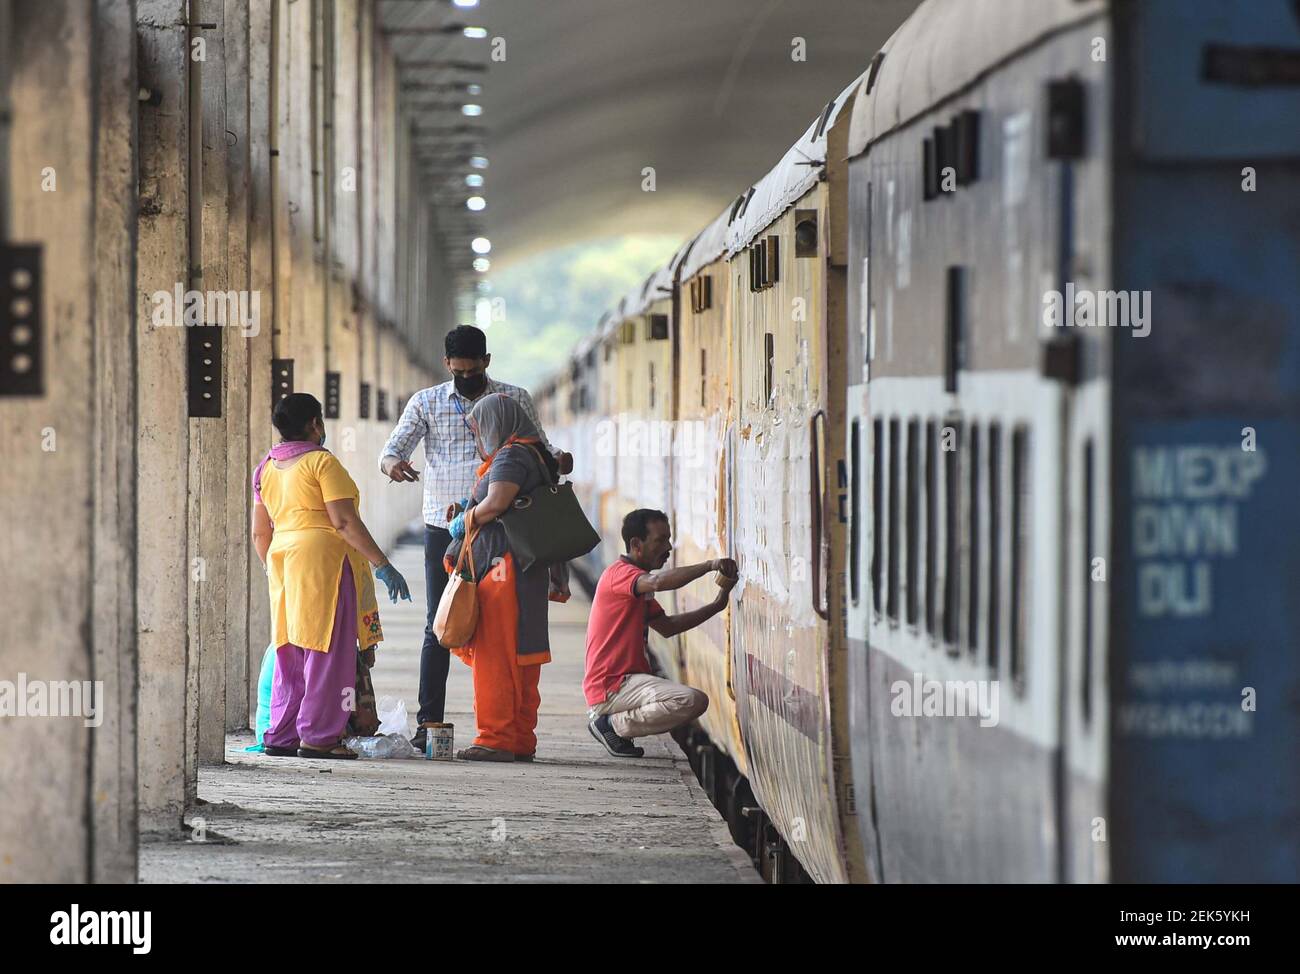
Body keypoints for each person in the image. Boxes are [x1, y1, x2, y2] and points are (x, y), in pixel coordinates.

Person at [378, 325, 571, 754]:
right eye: (458, 370)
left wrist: (556, 459)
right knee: (442, 622)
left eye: (473, 369)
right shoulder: (426, 402)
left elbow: (539, 446)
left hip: (501, 533)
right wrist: (393, 464)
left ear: (487, 361)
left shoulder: (511, 400)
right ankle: (431, 723)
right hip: (445, 531)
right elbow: (392, 450)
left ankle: (502, 733)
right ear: (447, 365)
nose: (466, 376)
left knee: (500, 632)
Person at [252, 393, 411, 760]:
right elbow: (343, 521)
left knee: (291, 649)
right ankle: (320, 736)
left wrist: (274, 566)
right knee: (328, 648)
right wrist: (381, 563)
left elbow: (261, 533)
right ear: (314, 424)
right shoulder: (322, 463)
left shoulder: (265, 467)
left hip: (282, 560)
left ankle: (282, 734)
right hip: (322, 560)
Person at [441, 393, 563, 761]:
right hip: (525, 568)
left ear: (496, 424)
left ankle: (494, 738)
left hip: (501, 568)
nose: (479, 439)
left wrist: (463, 521)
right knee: (523, 652)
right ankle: (520, 738)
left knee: (495, 654)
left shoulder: (510, 455)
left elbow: (496, 504)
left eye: (479, 430)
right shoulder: (536, 454)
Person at [584, 509, 738, 757]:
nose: (668, 547)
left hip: (625, 682)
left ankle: (614, 725)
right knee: (690, 700)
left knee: (691, 699)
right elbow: (658, 582)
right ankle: (611, 725)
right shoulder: (621, 575)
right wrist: (710, 564)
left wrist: (718, 603)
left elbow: (668, 627)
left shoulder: (637, 587)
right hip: (612, 684)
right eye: (660, 540)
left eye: (669, 539)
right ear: (636, 544)